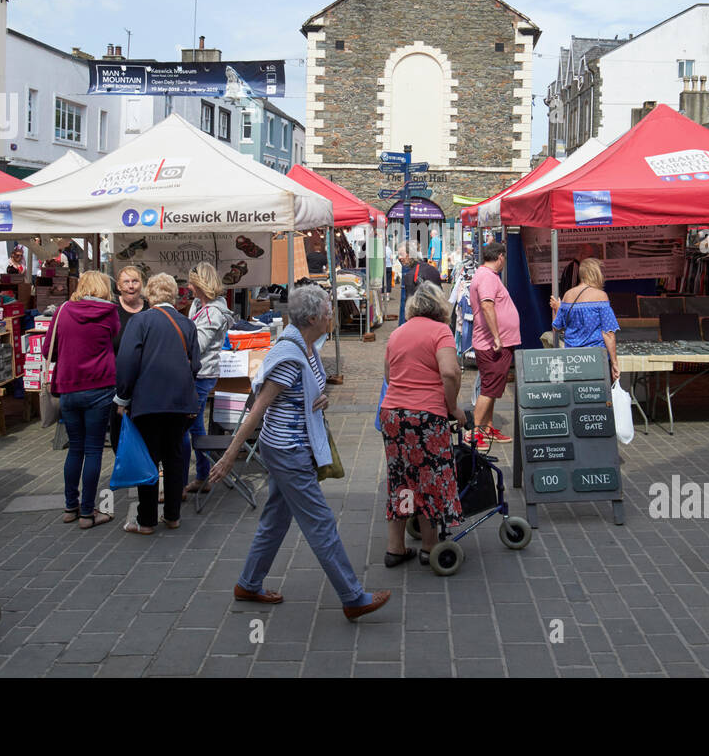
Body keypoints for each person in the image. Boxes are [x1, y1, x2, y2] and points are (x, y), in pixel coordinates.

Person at [209, 284, 390, 621]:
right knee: (320, 522)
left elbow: (306, 390)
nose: (331, 316)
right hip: (287, 449)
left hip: (290, 446)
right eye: (326, 311)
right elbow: (258, 409)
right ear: (312, 318)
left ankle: (248, 583)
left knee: (276, 517)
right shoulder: (290, 355)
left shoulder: (306, 345)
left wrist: (319, 399)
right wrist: (230, 455)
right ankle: (353, 597)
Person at [381, 282, 467, 567]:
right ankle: (429, 546)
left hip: (393, 414)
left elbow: (388, 375)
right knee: (429, 478)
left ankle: (396, 547)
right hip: (426, 416)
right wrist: (453, 407)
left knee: (402, 478)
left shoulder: (397, 333)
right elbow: (450, 372)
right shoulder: (441, 331)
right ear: (440, 307)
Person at [114, 273, 199, 533]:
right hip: (179, 403)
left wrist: (122, 397)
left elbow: (127, 362)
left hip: (147, 402)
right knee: (174, 458)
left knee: (148, 459)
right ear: (173, 294)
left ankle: (147, 520)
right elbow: (195, 365)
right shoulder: (187, 324)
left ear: (149, 294)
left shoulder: (140, 321)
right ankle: (173, 516)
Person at [45, 270, 119, 530]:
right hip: (100, 386)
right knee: (93, 449)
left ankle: (70, 507)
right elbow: (114, 337)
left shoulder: (63, 310)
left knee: (75, 448)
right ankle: (88, 512)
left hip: (68, 387)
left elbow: (47, 350)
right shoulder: (110, 312)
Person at [184, 263, 232, 497]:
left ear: (200, 284)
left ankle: (189, 478)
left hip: (202, 374)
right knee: (194, 426)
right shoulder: (197, 305)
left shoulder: (213, 312)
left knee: (188, 425)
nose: (188, 286)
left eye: (192, 282)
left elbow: (198, 345)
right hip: (197, 372)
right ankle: (202, 476)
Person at [469, 241, 521, 451]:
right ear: (500, 257)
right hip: (492, 345)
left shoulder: (485, 276)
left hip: (495, 343)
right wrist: (497, 337)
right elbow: (487, 304)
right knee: (489, 388)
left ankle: (486, 428)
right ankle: (474, 433)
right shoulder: (487, 277)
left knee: (492, 387)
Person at [550, 258, 620, 382]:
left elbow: (556, 327)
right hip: (596, 357)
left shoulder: (568, 295)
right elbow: (608, 333)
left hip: (572, 358)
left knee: (576, 397)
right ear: (594, 274)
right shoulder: (600, 296)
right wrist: (614, 362)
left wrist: (556, 309)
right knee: (598, 397)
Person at [108, 266, 150, 450]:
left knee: (145, 432)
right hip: (117, 382)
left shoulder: (150, 308)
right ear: (118, 286)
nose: (131, 286)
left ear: (142, 284)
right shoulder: (111, 310)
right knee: (119, 432)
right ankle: (124, 469)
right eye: (126, 282)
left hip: (146, 382)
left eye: (135, 281)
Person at [397, 241, 441, 324]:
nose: (399, 258)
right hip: (437, 317)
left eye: (401, 254)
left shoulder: (411, 275)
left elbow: (410, 306)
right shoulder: (432, 269)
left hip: (420, 320)